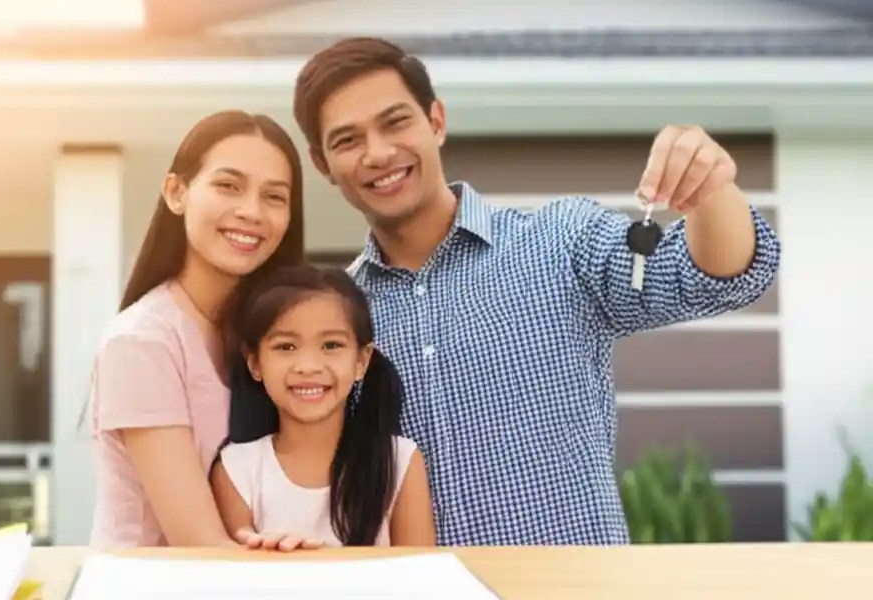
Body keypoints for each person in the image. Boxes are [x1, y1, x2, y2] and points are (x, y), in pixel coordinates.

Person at [291, 37, 782, 546]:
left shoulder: (560, 241)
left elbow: (714, 276)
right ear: (323, 164)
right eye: (348, 140)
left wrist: (712, 191)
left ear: (436, 121)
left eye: (396, 123)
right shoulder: (332, 319)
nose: (378, 153)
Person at [88, 110, 317, 549]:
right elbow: (201, 545)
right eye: (228, 186)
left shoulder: (270, 336)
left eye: (274, 197)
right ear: (177, 193)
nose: (251, 211)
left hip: (232, 595)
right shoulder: (141, 342)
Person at [210, 264, 436, 547]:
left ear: (361, 361)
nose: (308, 366)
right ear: (255, 363)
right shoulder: (235, 468)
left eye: (331, 345)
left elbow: (419, 574)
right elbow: (236, 570)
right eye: (286, 347)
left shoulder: (400, 460)